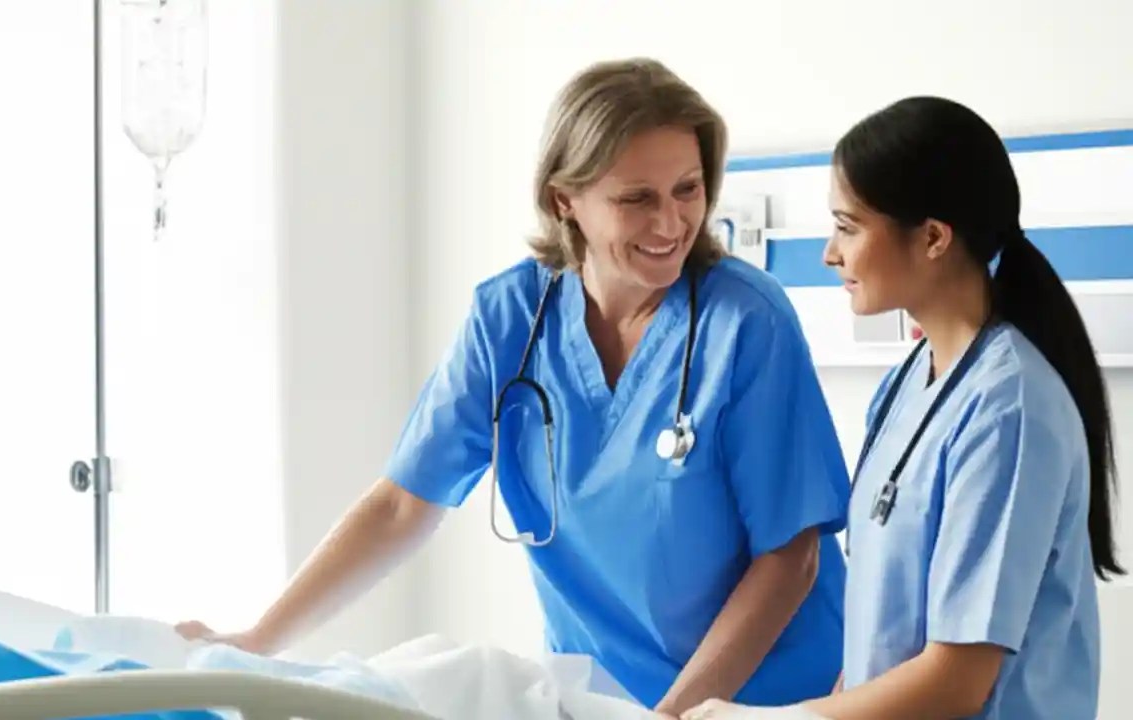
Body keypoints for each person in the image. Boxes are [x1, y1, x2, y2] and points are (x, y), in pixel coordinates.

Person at [176, 58, 851, 715]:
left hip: (759, 699)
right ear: (566, 200)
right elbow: (402, 506)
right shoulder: (510, 321)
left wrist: (676, 718)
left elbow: (790, 558)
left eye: (689, 190)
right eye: (636, 199)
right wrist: (257, 644)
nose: (672, 223)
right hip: (597, 698)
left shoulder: (747, 323)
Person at [683, 97, 1123, 720]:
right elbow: (878, 637)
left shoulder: (1009, 409)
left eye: (848, 226)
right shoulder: (907, 385)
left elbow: (958, 679)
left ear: (934, 238)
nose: (829, 254)